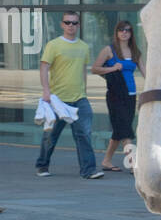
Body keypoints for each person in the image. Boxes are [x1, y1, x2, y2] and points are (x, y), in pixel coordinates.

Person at [35, 12, 103, 179]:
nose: (71, 26)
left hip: (79, 99)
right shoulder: (53, 45)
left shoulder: (83, 47)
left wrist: (84, 91)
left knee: (84, 135)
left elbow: (82, 71)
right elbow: (44, 67)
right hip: (57, 99)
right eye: (67, 22)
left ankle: (88, 170)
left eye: (74, 23)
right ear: (62, 25)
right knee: (50, 136)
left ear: (78, 25)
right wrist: (46, 91)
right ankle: (42, 165)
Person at [92, 20, 146, 170]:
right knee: (126, 129)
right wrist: (113, 68)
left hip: (130, 94)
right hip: (115, 94)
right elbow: (95, 69)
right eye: (121, 30)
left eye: (128, 30)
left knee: (119, 130)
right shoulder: (109, 50)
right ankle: (133, 163)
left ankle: (106, 161)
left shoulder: (135, 51)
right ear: (116, 32)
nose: (124, 33)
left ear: (131, 34)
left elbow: (145, 71)